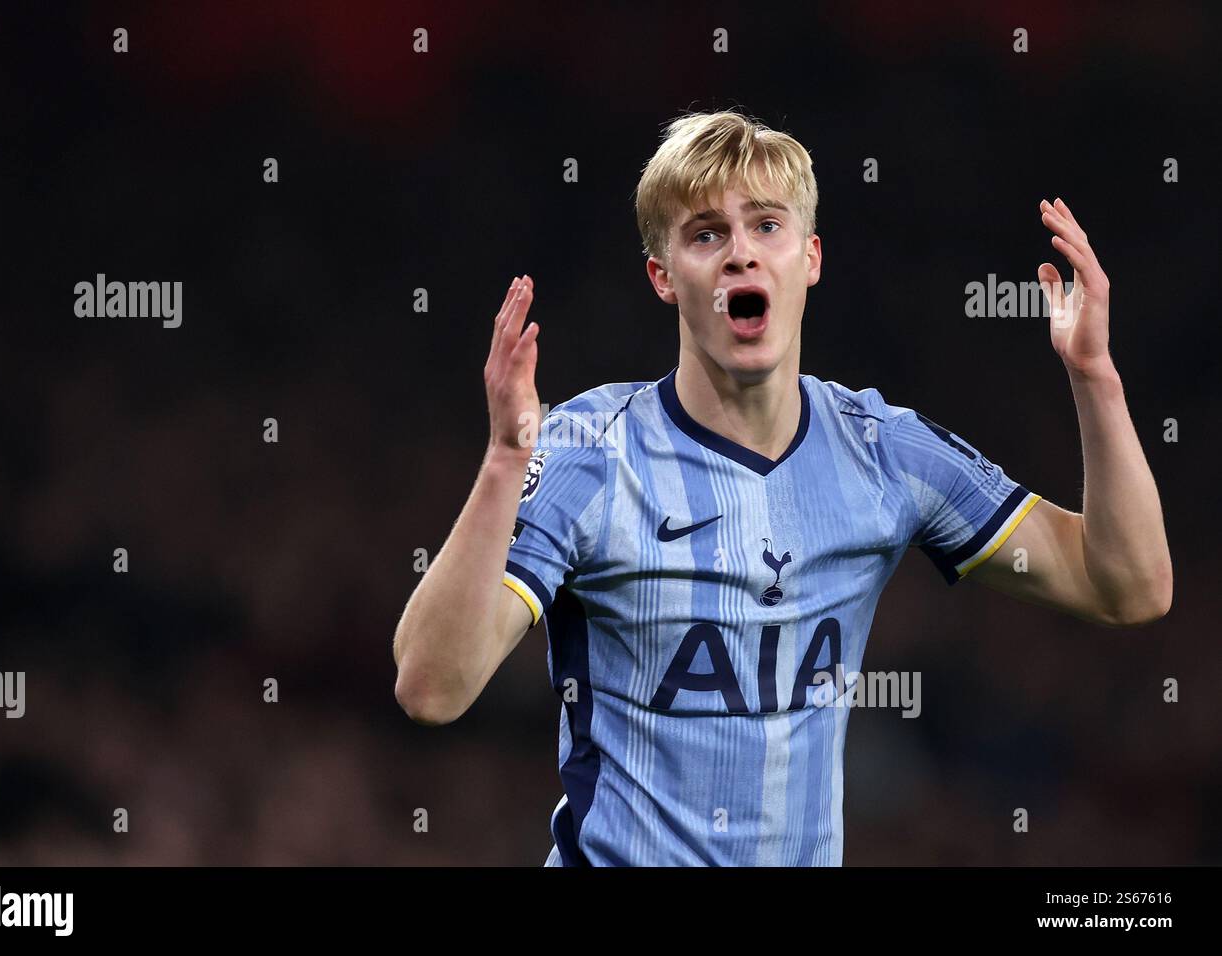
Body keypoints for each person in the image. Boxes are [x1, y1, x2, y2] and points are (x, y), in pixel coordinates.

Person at [392, 110, 1173, 866]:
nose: (741, 254)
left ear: (811, 258)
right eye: (707, 234)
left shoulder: (883, 452)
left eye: (767, 226)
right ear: (663, 277)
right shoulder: (590, 449)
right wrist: (503, 459)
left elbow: (1129, 587)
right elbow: (431, 686)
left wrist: (1095, 379)